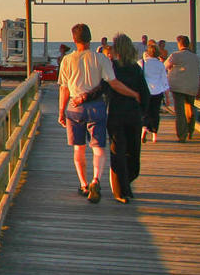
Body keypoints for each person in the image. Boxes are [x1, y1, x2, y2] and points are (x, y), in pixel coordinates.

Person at [58, 23, 140, 204]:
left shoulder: (67, 60)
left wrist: (61, 111)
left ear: (74, 39)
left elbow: (64, 88)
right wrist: (134, 93)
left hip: (74, 107)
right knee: (98, 147)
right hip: (96, 107)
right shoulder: (101, 59)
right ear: (90, 38)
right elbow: (113, 83)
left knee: (78, 148)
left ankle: (83, 184)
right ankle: (96, 180)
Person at [104, 34, 148, 203]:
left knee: (123, 153)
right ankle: (121, 190)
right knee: (126, 153)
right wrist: (144, 112)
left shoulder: (115, 68)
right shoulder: (132, 68)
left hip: (120, 114)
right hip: (128, 115)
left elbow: (103, 87)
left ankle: (123, 186)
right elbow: (145, 93)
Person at [166, 35, 200, 142]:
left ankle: (182, 135)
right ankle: (190, 131)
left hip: (178, 87)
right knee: (190, 109)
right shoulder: (195, 57)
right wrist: (199, 88)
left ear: (179, 44)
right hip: (192, 86)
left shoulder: (175, 55)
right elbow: (199, 74)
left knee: (180, 111)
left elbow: (165, 66)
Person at [139, 41, 169, 144]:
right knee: (155, 113)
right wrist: (168, 96)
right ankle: (154, 135)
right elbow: (164, 80)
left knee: (145, 112)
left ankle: (144, 130)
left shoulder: (142, 63)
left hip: (145, 91)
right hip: (157, 91)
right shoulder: (160, 65)